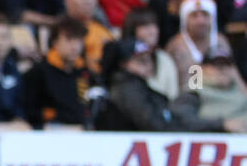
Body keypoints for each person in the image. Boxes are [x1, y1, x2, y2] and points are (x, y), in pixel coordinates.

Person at [96, 38, 243, 132]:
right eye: (216, 65)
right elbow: (159, 123)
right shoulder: (196, 88)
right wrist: (221, 125)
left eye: (227, 65)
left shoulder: (238, 90)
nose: (222, 70)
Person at [22, 17, 95, 128]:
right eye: (69, 40)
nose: (75, 47)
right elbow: (29, 109)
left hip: (79, 132)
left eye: (79, 40)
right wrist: (51, 116)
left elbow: (83, 103)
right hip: (47, 133)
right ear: (55, 42)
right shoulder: (39, 72)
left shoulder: (83, 73)